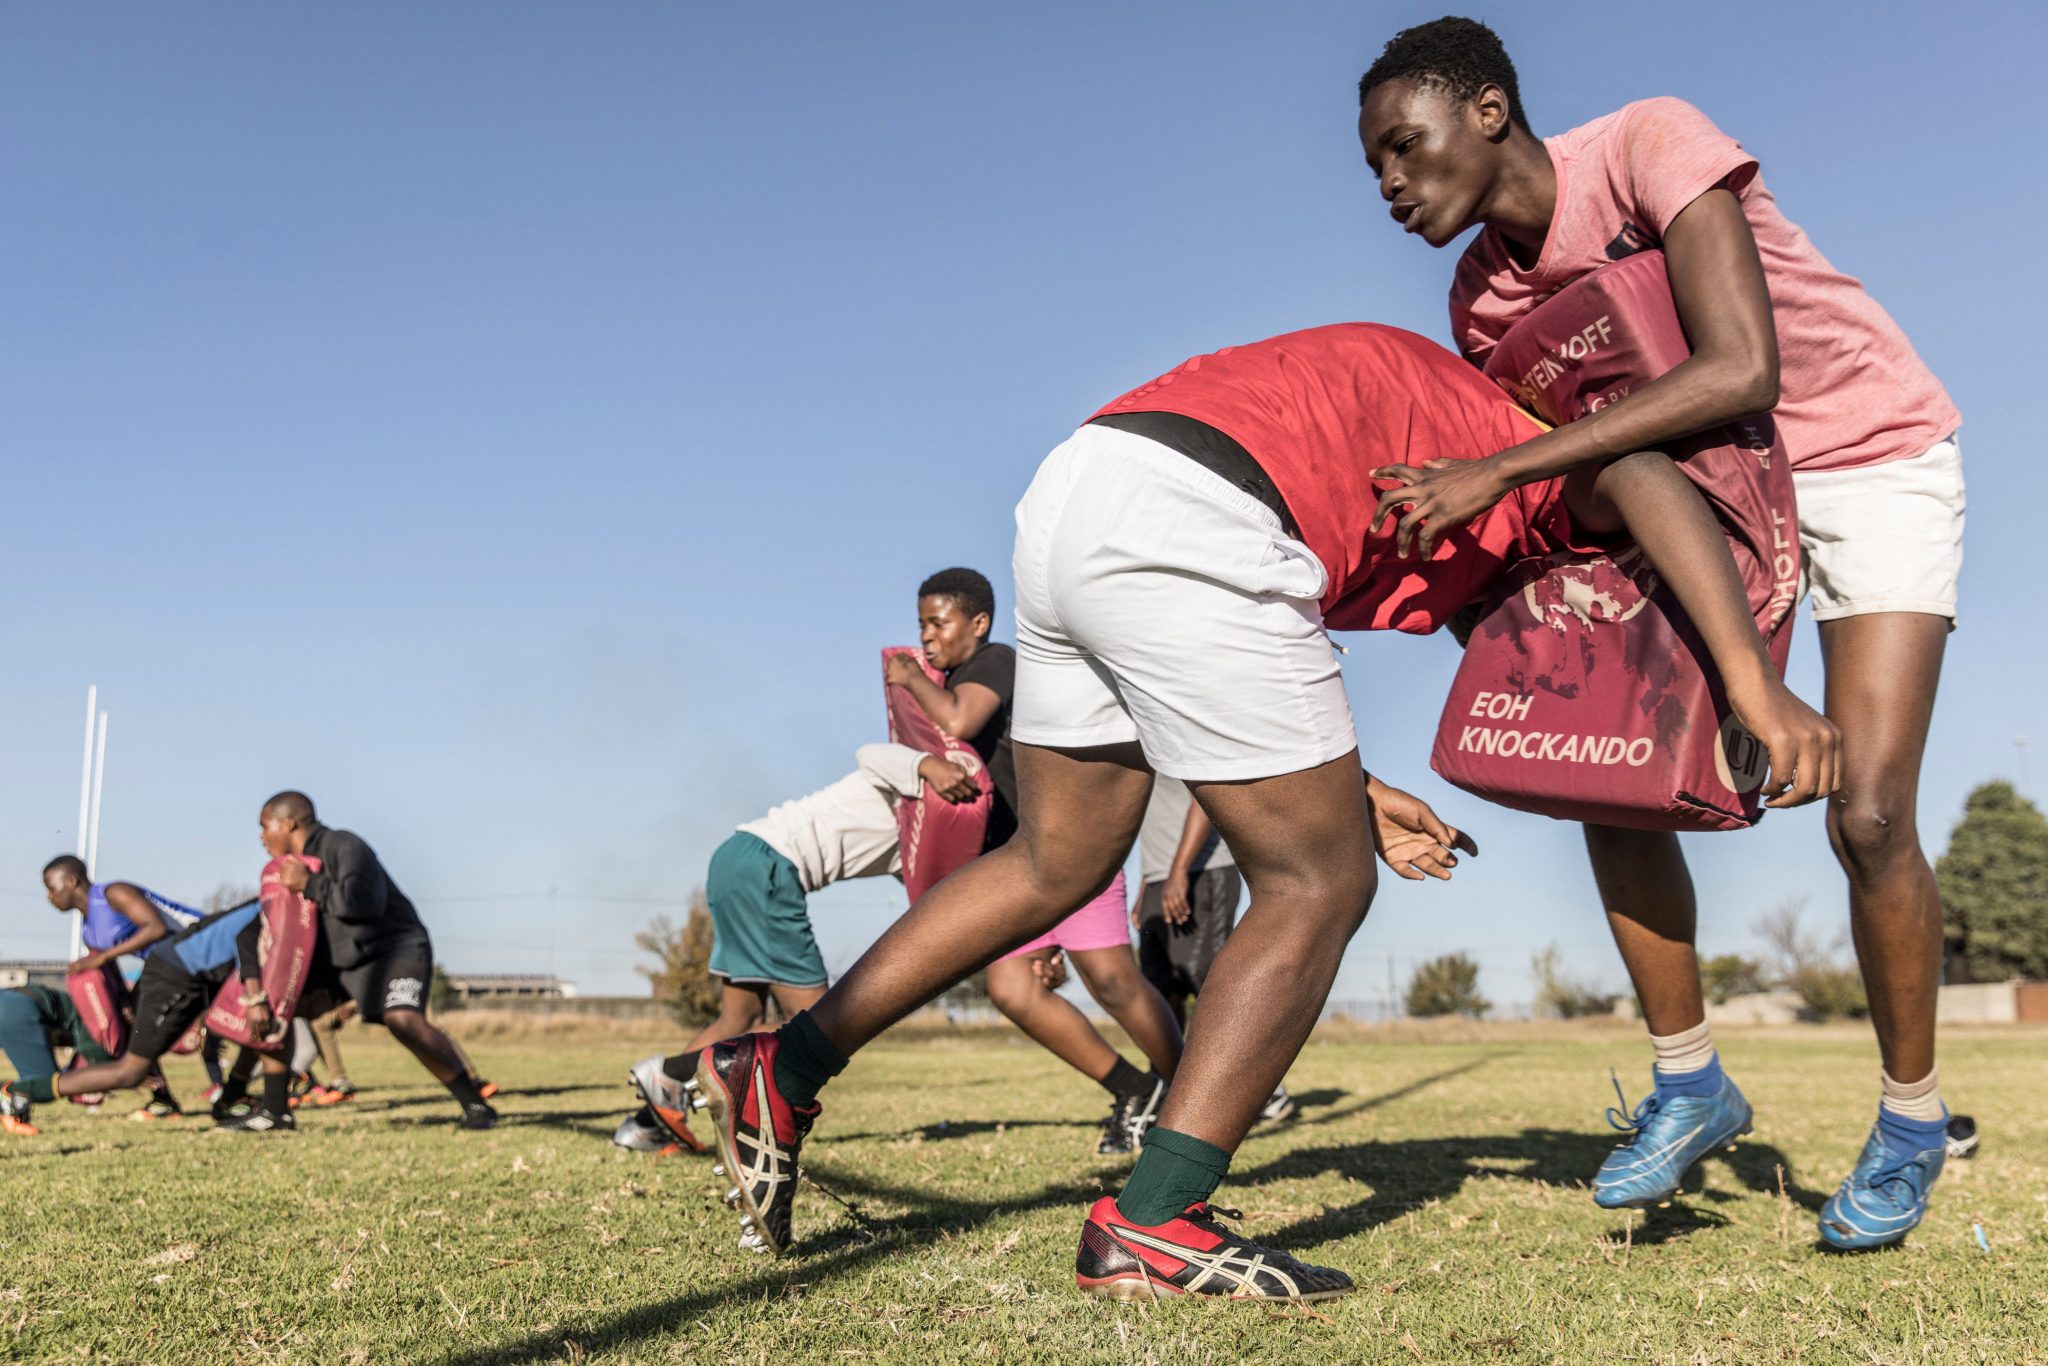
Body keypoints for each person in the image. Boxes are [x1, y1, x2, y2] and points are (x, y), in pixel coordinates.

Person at [679, 320, 1838, 1296]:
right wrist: (1750, 681)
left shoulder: (1426, 428)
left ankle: (782, 1068)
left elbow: (1257, 682)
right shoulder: (1544, 454)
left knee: (1058, 856)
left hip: (1078, 493)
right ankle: (1152, 1220)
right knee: (1320, 883)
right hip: (1200, 518)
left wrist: (1361, 788)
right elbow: (1640, 477)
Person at [1359, 16, 1960, 1247]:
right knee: (1598, 768)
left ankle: (1909, 1119)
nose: (1389, 186)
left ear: (1485, 112)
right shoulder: (1481, 298)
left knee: (1867, 812)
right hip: (1702, 506)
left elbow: (1742, 368)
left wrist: (1492, 467)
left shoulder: (1646, 141)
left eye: (1403, 149)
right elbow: (1595, 469)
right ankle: (1688, 1082)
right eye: (1373, 166)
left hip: (1865, 459)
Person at [889, 568, 1186, 1155]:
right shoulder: (949, 681)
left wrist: (905, 678)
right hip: (1016, 860)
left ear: (977, 623)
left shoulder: (995, 662)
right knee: (1012, 989)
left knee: (1111, 980)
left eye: (937, 622)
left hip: (1073, 841)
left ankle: (1200, 1094)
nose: (925, 636)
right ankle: (1133, 1090)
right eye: (920, 623)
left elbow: (959, 720)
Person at [623, 739, 984, 1154]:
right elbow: (871, 753)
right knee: (818, 1021)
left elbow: (937, 901)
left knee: (741, 1016)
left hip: (739, 857)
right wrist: (927, 765)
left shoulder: (918, 843)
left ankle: (648, 1125)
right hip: (769, 866)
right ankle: (670, 1076)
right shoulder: (906, 780)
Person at [259, 791, 498, 1130]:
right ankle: (271, 1111)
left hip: (395, 948)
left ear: (288, 823)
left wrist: (310, 884)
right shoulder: (285, 870)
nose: (261, 836)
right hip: (344, 960)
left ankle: (476, 1106)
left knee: (402, 1018)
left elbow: (362, 901)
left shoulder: (343, 845)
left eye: (264, 826)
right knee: (277, 1009)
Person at [0, 901, 301, 1133]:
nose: (49, 897)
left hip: (191, 971)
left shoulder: (288, 903)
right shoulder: (107, 903)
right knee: (129, 1069)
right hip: (178, 970)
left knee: (261, 1026)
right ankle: (19, 1091)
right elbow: (243, 935)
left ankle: (237, 1099)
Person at [1133, 777, 1294, 1125]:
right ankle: (1168, 1086)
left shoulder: (1176, 728)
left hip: (1203, 871)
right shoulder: (1138, 739)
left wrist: (1178, 871)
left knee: (1210, 984)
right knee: (1161, 989)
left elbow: (1203, 798)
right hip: (1160, 877)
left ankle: (1264, 1089)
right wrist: (1148, 884)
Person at [39, 855, 202, 1119]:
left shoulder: (113, 893)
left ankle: (227, 1091)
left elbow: (156, 928)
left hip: (198, 948)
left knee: (217, 1025)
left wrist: (103, 956)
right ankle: (163, 1099)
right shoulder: (89, 929)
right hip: (163, 967)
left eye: (51, 887)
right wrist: (124, 1000)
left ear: (71, 881)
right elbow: (108, 968)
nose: (49, 897)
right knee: (136, 1026)